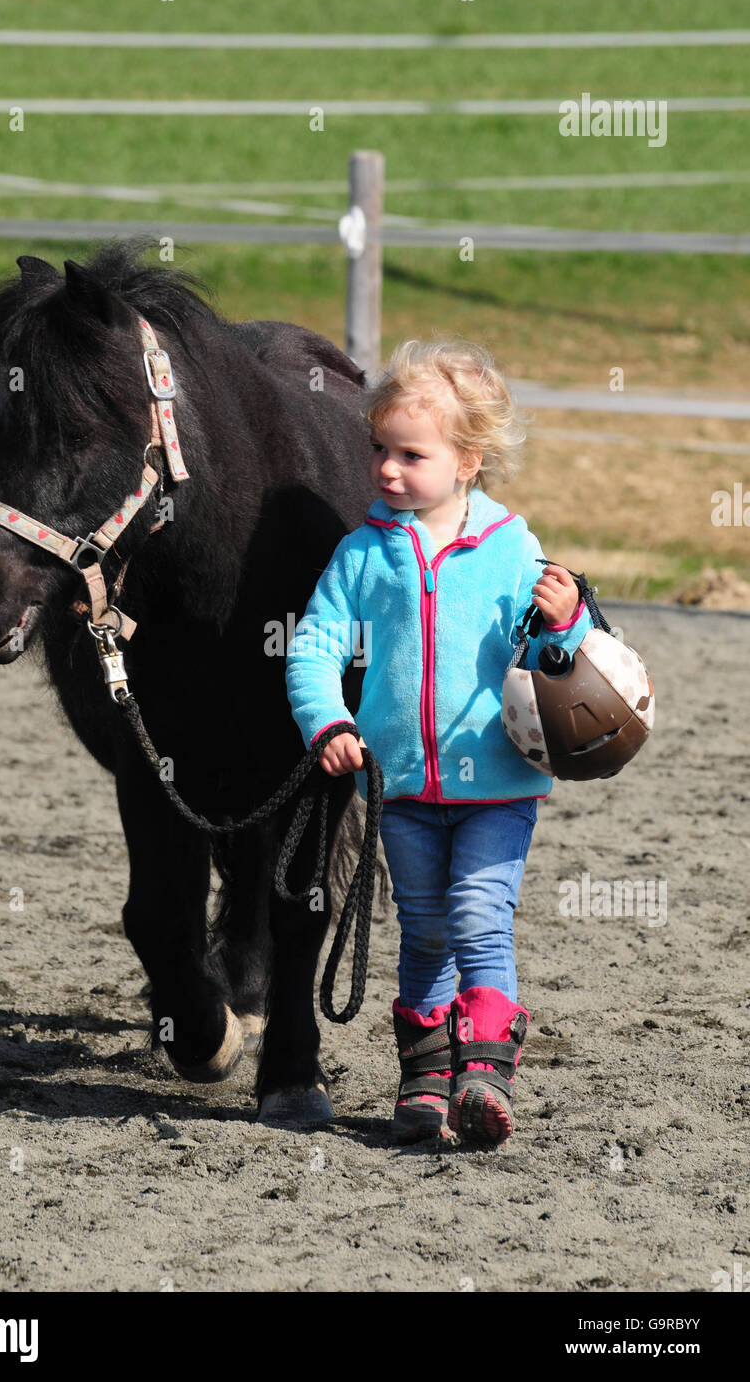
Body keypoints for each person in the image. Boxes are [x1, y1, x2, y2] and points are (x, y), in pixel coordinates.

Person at [285, 338, 591, 1147]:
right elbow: (313, 647)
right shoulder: (361, 554)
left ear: (466, 461)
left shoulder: (511, 547)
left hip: (497, 783)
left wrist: (567, 620)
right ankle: (423, 1081)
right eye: (378, 449)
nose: (386, 469)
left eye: (409, 454)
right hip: (400, 787)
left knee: (477, 918)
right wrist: (330, 723)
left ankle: (483, 1075)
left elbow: (554, 660)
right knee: (421, 928)